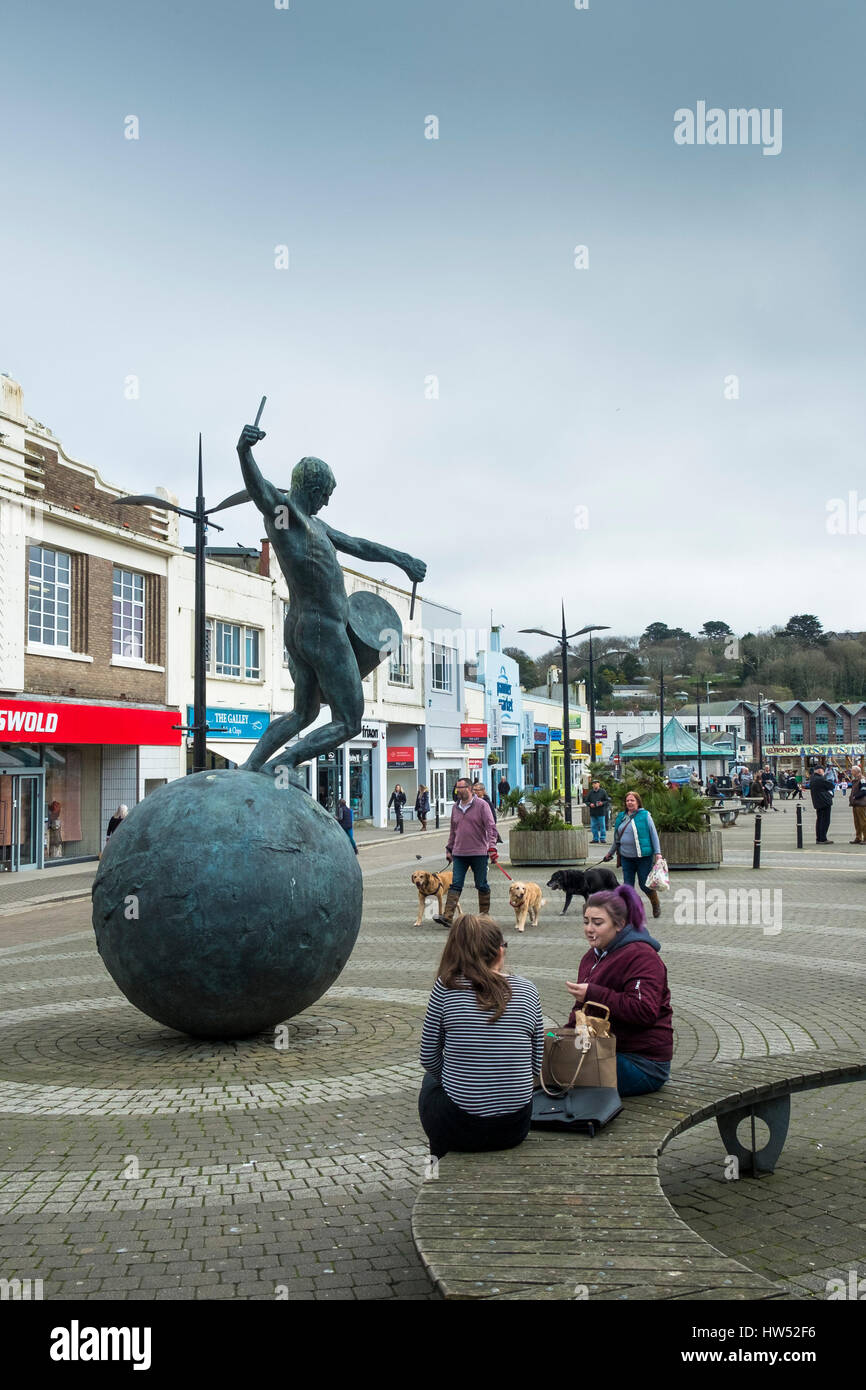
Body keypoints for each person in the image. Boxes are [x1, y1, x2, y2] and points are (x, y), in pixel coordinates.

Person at [235, 419, 425, 776]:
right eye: (326, 495)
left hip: (303, 627)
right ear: (313, 487)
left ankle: (252, 765)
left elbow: (358, 545)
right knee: (350, 720)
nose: (326, 502)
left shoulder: (317, 527)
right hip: (323, 629)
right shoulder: (287, 518)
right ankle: (283, 764)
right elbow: (261, 493)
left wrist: (402, 560)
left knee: (302, 714)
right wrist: (244, 452)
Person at [419, 914, 543, 1158]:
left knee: (429, 1082)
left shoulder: (446, 988)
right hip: (514, 1127)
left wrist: (461, 1080)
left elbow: (428, 1057)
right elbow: (535, 1066)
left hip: (460, 1125)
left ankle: (438, 1157)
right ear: (500, 951)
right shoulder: (529, 990)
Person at [564, 883, 673, 1097]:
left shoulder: (642, 956)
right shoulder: (593, 956)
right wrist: (560, 1039)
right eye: (586, 922)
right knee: (548, 1064)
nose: (589, 929)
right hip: (606, 1049)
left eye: (598, 923)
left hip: (644, 1062)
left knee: (562, 1077)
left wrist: (593, 993)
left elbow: (644, 1011)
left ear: (620, 924)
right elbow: (582, 1010)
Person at [436, 778, 498, 925]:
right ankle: (448, 916)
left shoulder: (482, 805)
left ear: (469, 788)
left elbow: (491, 827)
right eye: (457, 788)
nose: (458, 791)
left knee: (481, 884)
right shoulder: (455, 807)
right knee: (456, 884)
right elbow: (453, 830)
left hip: (479, 852)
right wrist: (449, 848)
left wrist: (492, 847)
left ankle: (484, 916)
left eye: (461, 787)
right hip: (459, 853)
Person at [602, 791, 664, 919]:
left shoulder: (645, 815)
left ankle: (655, 902)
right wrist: (610, 853)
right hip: (626, 857)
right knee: (627, 886)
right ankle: (631, 910)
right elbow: (617, 839)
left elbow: (654, 835)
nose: (629, 803)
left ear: (638, 802)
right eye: (627, 801)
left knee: (644, 884)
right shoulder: (621, 817)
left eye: (632, 800)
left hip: (643, 857)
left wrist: (658, 853)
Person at [810, 767, 834, 844]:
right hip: (824, 802)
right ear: (820, 771)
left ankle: (819, 838)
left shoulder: (813, 778)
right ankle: (823, 838)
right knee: (825, 821)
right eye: (823, 771)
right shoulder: (820, 779)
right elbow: (831, 786)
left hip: (818, 802)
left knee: (819, 820)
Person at [586, 779, 611, 844]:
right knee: (593, 826)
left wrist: (602, 803)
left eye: (596, 783)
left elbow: (607, 800)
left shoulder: (603, 792)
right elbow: (586, 801)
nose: (595, 784)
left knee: (602, 825)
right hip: (593, 812)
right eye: (593, 783)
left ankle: (603, 838)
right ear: (592, 785)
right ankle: (595, 838)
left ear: (599, 784)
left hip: (601, 812)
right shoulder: (590, 792)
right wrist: (590, 804)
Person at [848, 766, 866, 844]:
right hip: (856, 803)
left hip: (861, 803)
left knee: (863, 821)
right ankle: (858, 837)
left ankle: (865, 838)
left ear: (856, 771)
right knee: (857, 822)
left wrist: (855, 797)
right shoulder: (856, 780)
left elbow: (864, 790)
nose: (851, 772)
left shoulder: (862, 779)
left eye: (852, 771)